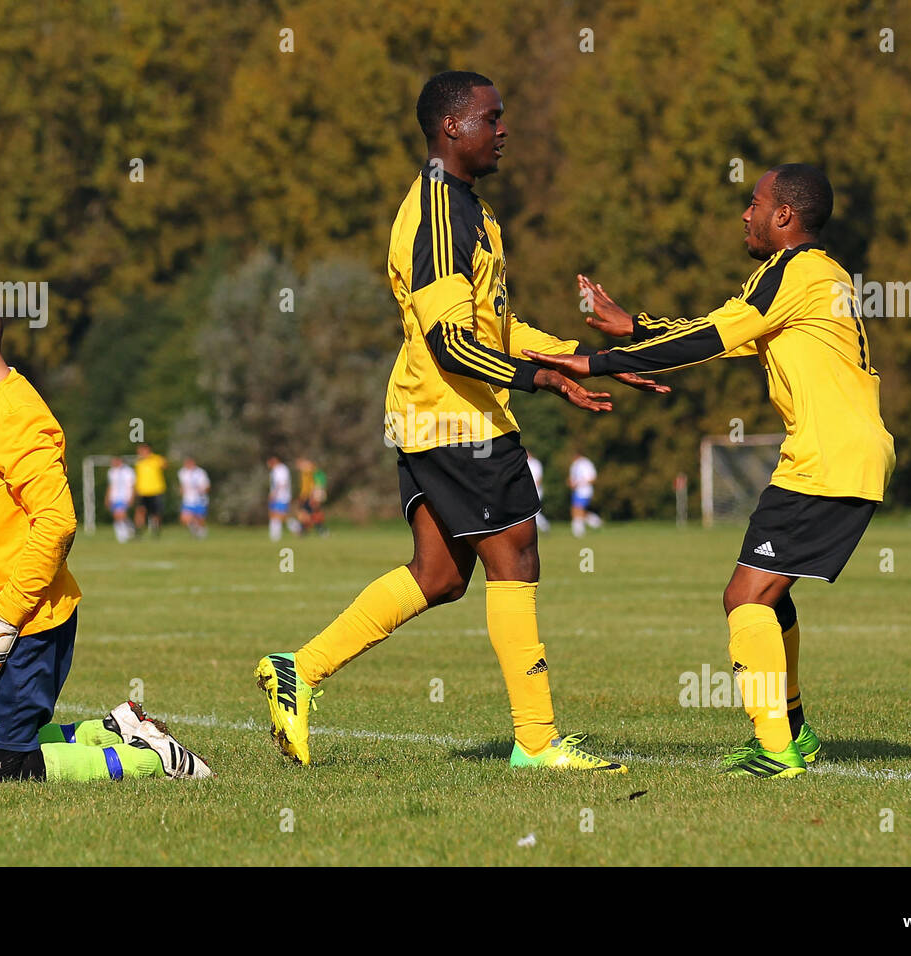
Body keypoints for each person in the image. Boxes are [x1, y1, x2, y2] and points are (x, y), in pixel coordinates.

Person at [255, 71, 666, 772]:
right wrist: (542, 379)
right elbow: (452, 342)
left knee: (440, 575)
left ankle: (298, 668)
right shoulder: (441, 214)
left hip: (436, 415)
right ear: (452, 128)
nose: (504, 129)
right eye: (491, 118)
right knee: (517, 556)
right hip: (456, 416)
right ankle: (537, 741)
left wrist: (581, 359)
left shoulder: (466, 210)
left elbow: (491, 328)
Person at [525, 164, 895, 779]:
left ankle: (776, 749)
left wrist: (595, 360)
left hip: (827, 458)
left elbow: (709, 339)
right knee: (770, 596)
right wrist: (637, 326)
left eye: (754, 203)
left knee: (743, 597)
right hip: (842, 453)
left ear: (784, 216)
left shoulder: (793, 273)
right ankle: (794, 733)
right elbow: (725, 329)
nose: (744, 215)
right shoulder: (817, 275)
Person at [0, 286, 210, 782]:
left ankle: (151, 759)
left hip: (21, 623)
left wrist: (4, 621)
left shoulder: (17, 413)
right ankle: (116, 729)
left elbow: (56, 522)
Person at [133, 444, 167, 537]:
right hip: (143, 491)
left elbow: (165, 465)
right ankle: (138, 532)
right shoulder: (139, 463)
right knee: (140, 511)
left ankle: (156, 530)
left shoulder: (156, 459)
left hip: (155, 490)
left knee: (155, 513)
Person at [568, 452, 602, 537]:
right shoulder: (574, 464)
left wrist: (580, 483)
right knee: (576, 510)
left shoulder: (586, 463)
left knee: (578, 509)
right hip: (577, 491)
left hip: (585, 490)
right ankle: (593, 522)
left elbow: (592, 478)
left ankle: (580, 531)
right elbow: (572, 478)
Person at [105, 455, 136, 543]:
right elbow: (110, 486)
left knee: (121, 514)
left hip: (125, 496)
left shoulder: (128, 471)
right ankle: (123, 533)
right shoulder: (111, 472)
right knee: (116, 516)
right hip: (114, 497)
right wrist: (107, 497)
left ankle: (126, 532)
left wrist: (132, 497)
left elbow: (132, 485)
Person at [177, 456, 211, 538]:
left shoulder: (200, 472)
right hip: (188, 499)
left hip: (199, 499)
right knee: (184, 519)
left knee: (199, 518)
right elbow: (182, 484)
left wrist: (202, 490)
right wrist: (181, 490)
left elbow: (207, 486)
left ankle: (201, 531)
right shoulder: (182, 472)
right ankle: (195, 529)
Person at [267, 456, 292, 541]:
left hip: (281, 496)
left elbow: (281, 483)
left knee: (279, 515)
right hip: (278, 496)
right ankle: (274, 535)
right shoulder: (276, 470)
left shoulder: (281, 470)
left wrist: (274, 494)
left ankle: (297, 528)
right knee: (274, 515)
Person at [525, 452, 550, 533]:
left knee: (533, 511)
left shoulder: (536, 463)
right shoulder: (525, 462)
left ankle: (544, 526)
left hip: (536, 490)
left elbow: (539, 478)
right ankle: (544, 526)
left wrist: (533, 489)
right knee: (531, 511)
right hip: (527, 490)